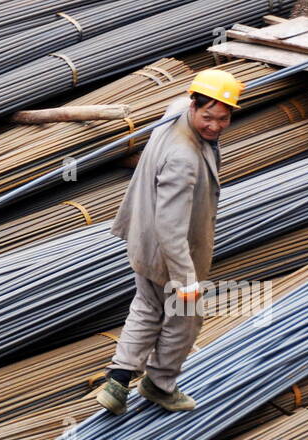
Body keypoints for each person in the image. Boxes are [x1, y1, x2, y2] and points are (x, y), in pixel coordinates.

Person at [95, 69, 243, 415]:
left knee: (147, 306)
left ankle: (117, 379)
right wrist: (186, 280)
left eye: (223, 119)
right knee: (186, 316)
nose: (215, 126)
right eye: (208, 117)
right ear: (194, 106)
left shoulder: (176, 108)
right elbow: (171, 226)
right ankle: (159, 385)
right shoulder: (183, 160)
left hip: (141, 240)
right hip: (168, 251)